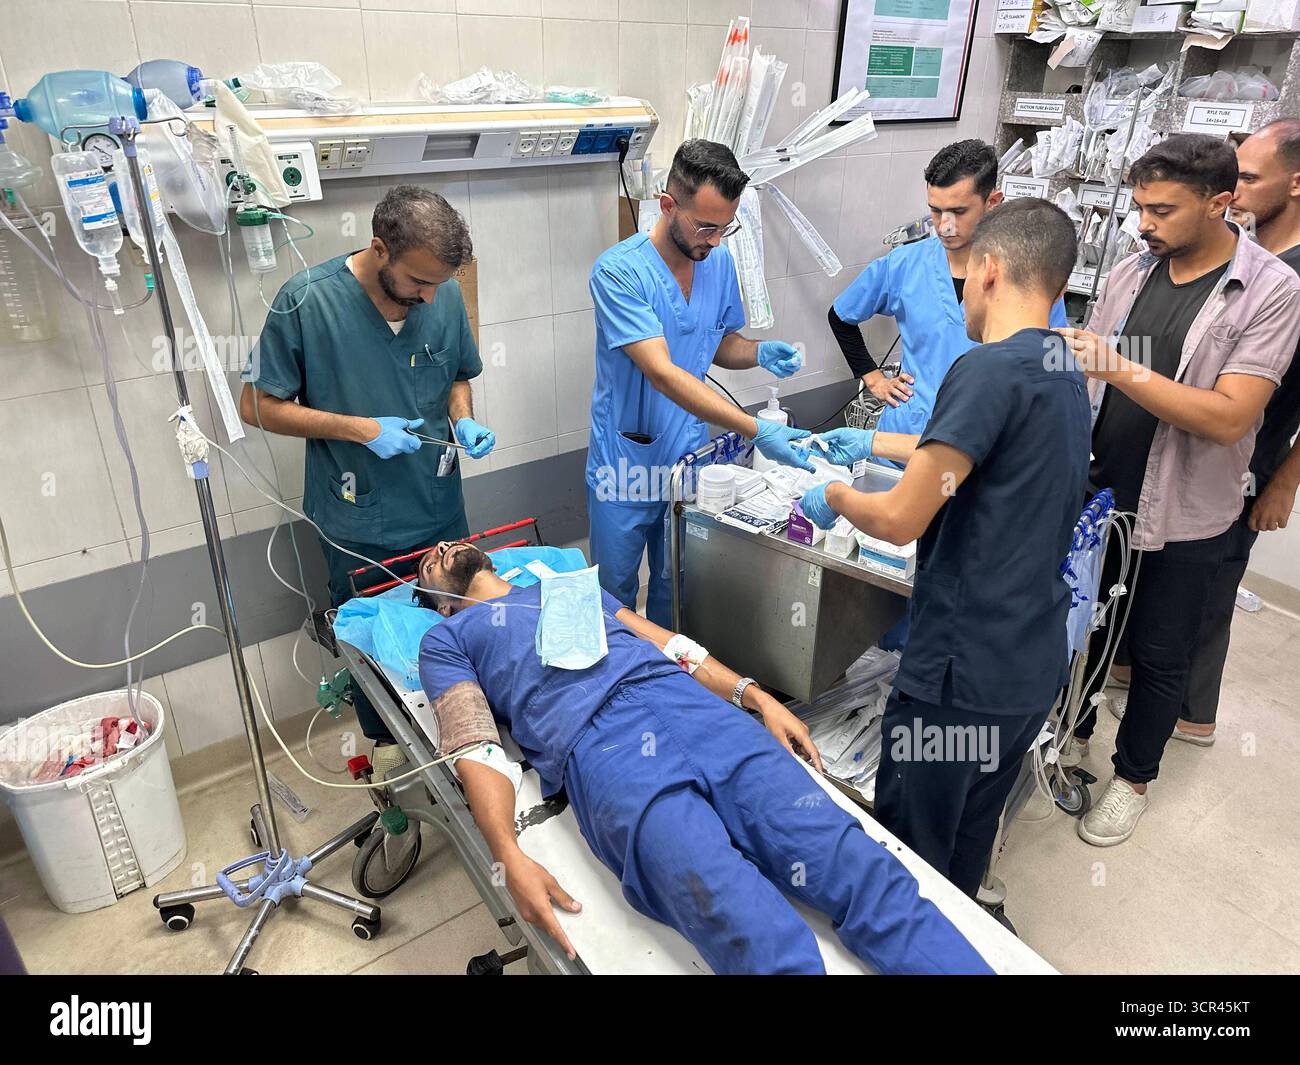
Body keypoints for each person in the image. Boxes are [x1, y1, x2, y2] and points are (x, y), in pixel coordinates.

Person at [413, 540, 992, 975]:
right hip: (605, 751)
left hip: (696, 712)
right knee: (743, 921)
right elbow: (475, 743)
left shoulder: (563, 585)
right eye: (428, 566)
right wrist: (507, 853)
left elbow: (665, 643)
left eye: (445, 547)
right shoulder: (447, 639)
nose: (442, 550)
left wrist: (757, 696)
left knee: (857, 867)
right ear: (437, 603)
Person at [797, 198, 1090, 900]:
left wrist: (833, 496)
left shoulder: (986, 369)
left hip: (959, 675)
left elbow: (900, 519)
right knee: (965, 840)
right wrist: (868, 440)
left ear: (987, 270)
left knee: (909, 852)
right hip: (1026, 666)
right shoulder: (1063, 367)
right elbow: (970, 457)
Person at [1056, 134, 1300, 847]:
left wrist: (1119, 368)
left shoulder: (1271, 291)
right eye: (1139, 206)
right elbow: (1087, 372)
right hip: (1105, 491)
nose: (1145, 223)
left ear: (1220, 204)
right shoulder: (1135, 271)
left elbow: (1229, 417)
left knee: (1162, 651)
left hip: (1189, 509)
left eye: (1162, 209)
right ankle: (1071, 737)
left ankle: (1132, 779)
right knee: (1088, 631)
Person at [241, 185, 495, 762]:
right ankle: (394, 777)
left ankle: (466, 758)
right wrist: (362, 430)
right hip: (361, 525)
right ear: (380, 249)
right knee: (380, 665)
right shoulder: (305, 303)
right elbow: (255, 405)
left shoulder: (443, 294)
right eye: (418, 282)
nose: (430, 296)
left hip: (440, 510)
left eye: (439, 283)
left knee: (456, 646)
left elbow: (457, 374)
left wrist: (463, 420)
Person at [588, 139, 815, 627]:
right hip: (626, 466)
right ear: (668, 205)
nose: (715, 240)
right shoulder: (618, 273)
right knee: (615, 599)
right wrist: (756, 430)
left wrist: (756, 351)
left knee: (677, 586)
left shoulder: (718, 264)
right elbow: (665, 373)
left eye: (725, 227)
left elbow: (717, 343)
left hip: (687, 458)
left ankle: (672, 686)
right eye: (706, 226)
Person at [827, 140, 1069, 456]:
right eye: (936, 210)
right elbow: (841, 316)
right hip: (902, 441)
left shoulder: (1027, 278)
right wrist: (873, 378)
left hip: (977, 449)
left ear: (993, 202)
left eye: (958, 211)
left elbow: (1054, 365)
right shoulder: (906, 264)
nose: (945, 225)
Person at [1180, 119, 1300, 744]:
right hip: (1190, 449)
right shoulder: (1241, 254)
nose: (1236, 186)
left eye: (1250, 177)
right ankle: (1147, 681)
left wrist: (1284, 485)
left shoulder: (1292, 280)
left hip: (1253, 457)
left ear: (1297, 183)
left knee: (1211, 587)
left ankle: (1192, 716)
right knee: (1173, 583)